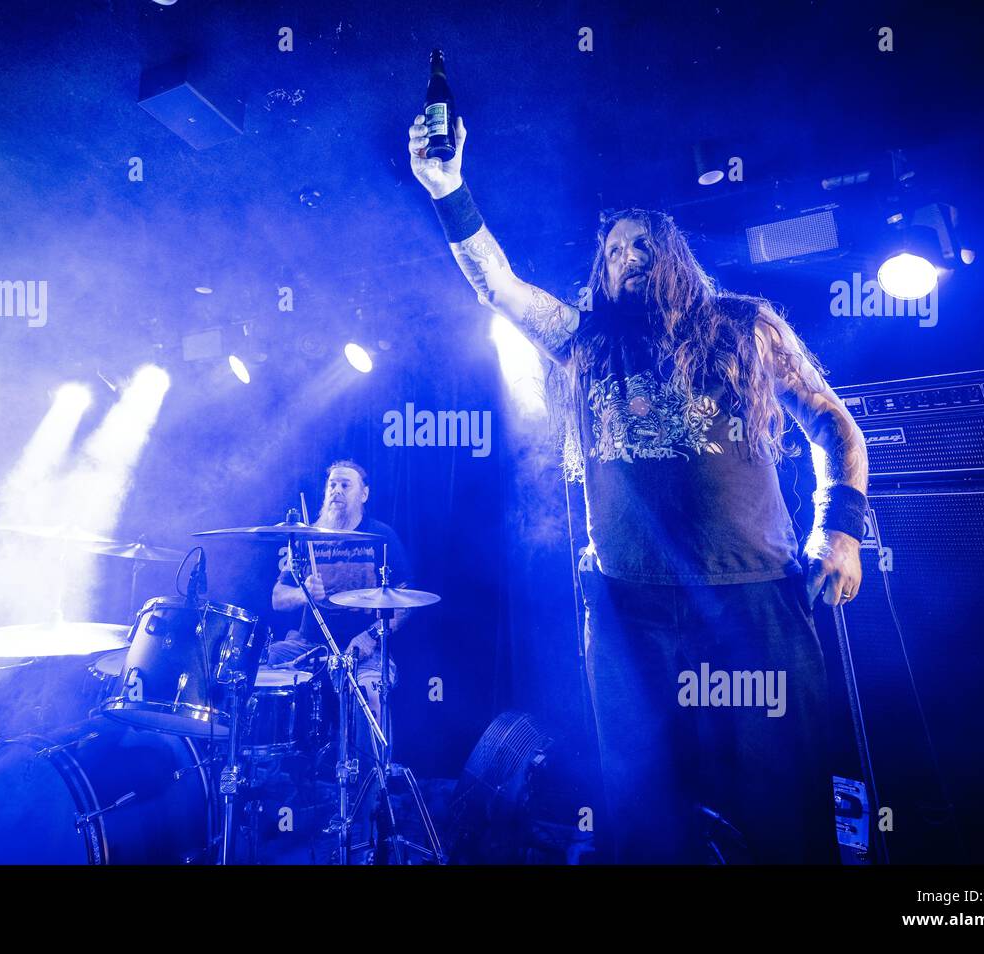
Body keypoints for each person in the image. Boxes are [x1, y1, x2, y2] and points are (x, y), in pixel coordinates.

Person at [409, 114, 869, 863]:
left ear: (675, 256)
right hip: (630, 610)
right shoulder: (584, 341)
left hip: (752, 597)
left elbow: (833, 426)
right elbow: (498, 284)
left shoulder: (743, 326)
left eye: (643, 244)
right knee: (642, 805)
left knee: (781, 795)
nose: (628, 256)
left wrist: (838, 530)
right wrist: (449, 186)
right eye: (615, 248)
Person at [268, 459, 411, 753]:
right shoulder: (307, 538)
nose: (336, 490)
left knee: (372, 696)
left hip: (364, 648)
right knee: (248, 669)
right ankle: (264, 774)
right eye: (332, 485)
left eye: (345, 485)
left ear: (364, 494)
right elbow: (278, 597)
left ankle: (371, 789)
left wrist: (370, 637)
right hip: (307, 644)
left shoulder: (381, 537)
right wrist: (302, 593)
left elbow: (405, 603)